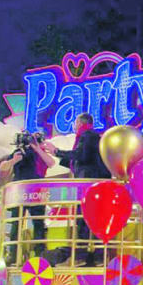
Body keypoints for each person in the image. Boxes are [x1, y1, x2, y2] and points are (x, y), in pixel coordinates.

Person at [48, 114, 111, 265]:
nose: (74, 126)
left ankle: (88, 255)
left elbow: (80, 156)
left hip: (88, 185)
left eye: (75, 123)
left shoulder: (88, 135)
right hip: (87, 185)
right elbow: (77, 160)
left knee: (86, 220)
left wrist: (57, 151)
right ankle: (87, 254)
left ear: (80, 123)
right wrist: (53, 153)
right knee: (84, 220)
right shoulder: (88, 137)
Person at [0, 134, 57, 263]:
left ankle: (40, 253)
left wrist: (37, 149)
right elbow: (2, 166)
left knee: (38, 223)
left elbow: (51, 163)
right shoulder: (19, 152)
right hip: (19, 193)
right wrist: (13, 161)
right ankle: (13, 254)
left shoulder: (40, 155)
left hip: (37, 191)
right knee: (16, 223)